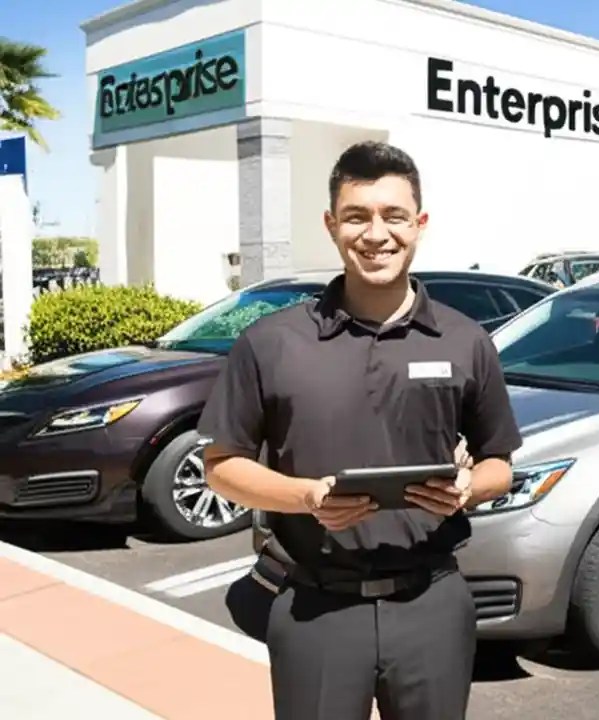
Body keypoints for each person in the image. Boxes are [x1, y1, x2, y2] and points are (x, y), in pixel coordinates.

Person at [199, 140, 522, 720]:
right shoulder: (271, 343)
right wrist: (306, 497)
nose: (376, 234)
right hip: (314, 610)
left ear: (419, 224)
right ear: (331, 225)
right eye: (357, 216)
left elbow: (501, 462)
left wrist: (469, 488)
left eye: (393, 216)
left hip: (433, 603)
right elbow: (221, 467)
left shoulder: (465, 340)